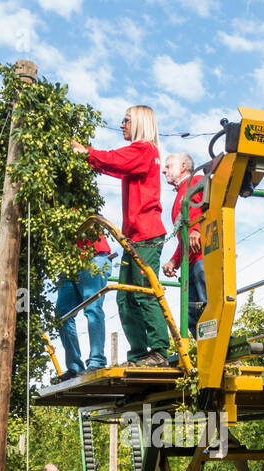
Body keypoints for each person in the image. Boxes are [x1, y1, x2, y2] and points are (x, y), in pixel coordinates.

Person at [70, 105, 167, 367]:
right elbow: (116, 166)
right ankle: (139, 354)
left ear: (139, 123)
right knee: (125, 297)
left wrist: (86, 153)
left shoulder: (145, 150)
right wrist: (89, 157)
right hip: (134, 237)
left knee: (144, 293)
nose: (121, 125)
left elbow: (115, 160)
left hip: (147, 235)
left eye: (126, 120)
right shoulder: (141, 152)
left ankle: (159, 351)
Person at [54, 224, 113, 383]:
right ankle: (75, 366)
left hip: (93, 257)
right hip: (70, 265)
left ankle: (96, 361)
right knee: (62, 315)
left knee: (92, 308)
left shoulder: (78, 203)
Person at [160, 152, 207, 324]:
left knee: (207, 308)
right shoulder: (179, 194)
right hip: (191, 261)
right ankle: (206, 350)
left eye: (168, 165)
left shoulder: (197, 181)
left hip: (204, 257)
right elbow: (184, 237)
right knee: (191, 317)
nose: (163, 171)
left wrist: (198, 228)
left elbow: (212, 207)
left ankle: (220, 347)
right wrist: (174, 261)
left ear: (183, 166)